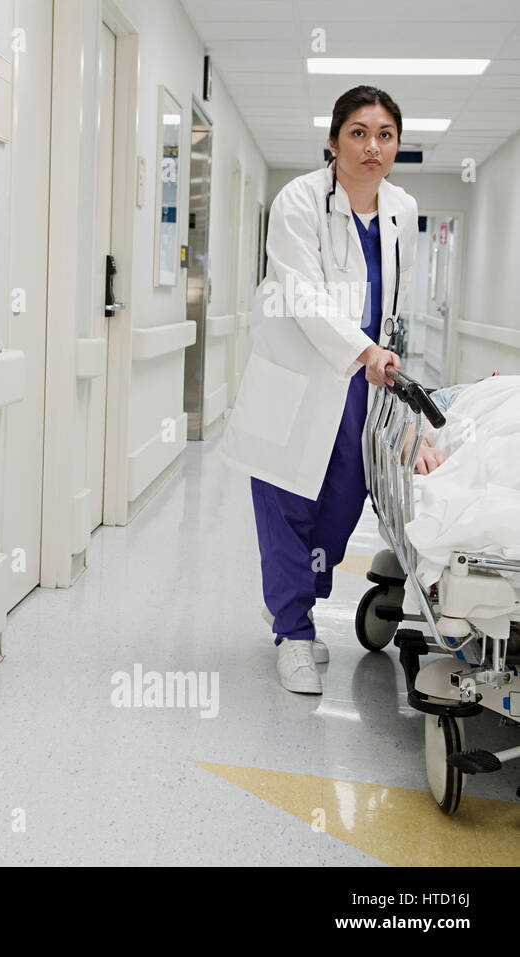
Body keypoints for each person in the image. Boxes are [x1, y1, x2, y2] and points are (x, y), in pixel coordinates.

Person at [220, 86, 418, 694]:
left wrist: (390, 363)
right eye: (358, 132)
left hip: (362, 384)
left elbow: (398, 299)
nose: (372, 146)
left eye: (384, 135)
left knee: (342, 506)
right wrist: (364, 351)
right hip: (294, 378)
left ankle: (297, 597)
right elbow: (301, 293)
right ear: (333, 142)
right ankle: (293, 631)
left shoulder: (402, 210)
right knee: (285, 507)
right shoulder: (298, 200)